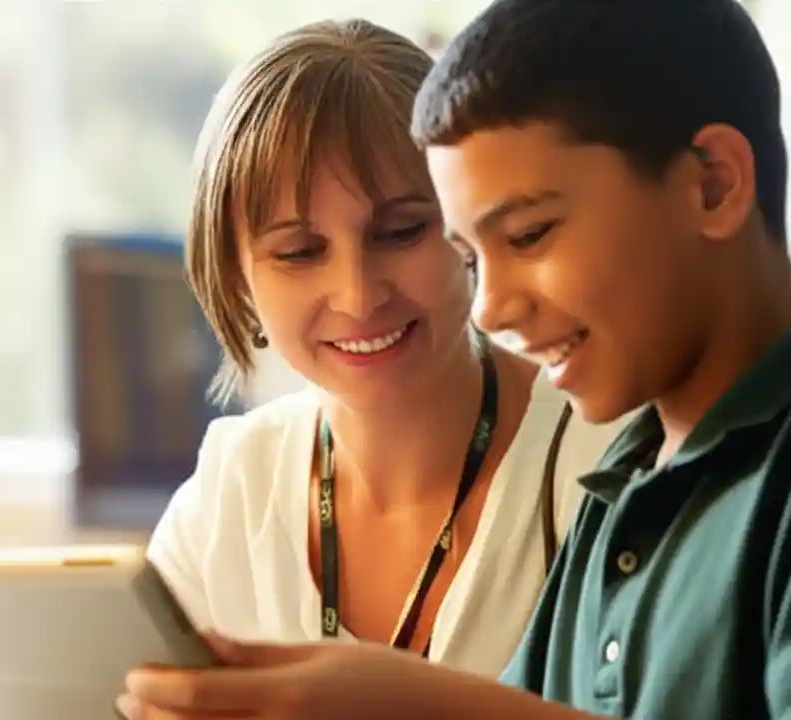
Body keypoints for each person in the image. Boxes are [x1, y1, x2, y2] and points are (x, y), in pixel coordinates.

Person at [117, 0, 791, 718]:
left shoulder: (631, 472)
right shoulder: (631, 480)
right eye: (473, 253)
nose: (489, 306)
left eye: (529, 235)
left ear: (714, 183)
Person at [144, 16, 622, 683]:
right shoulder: (231, 494)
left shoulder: (605, 462)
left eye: (401, 232)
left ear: (469, 223)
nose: (359, 295)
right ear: (236, 278)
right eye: (299, 252)